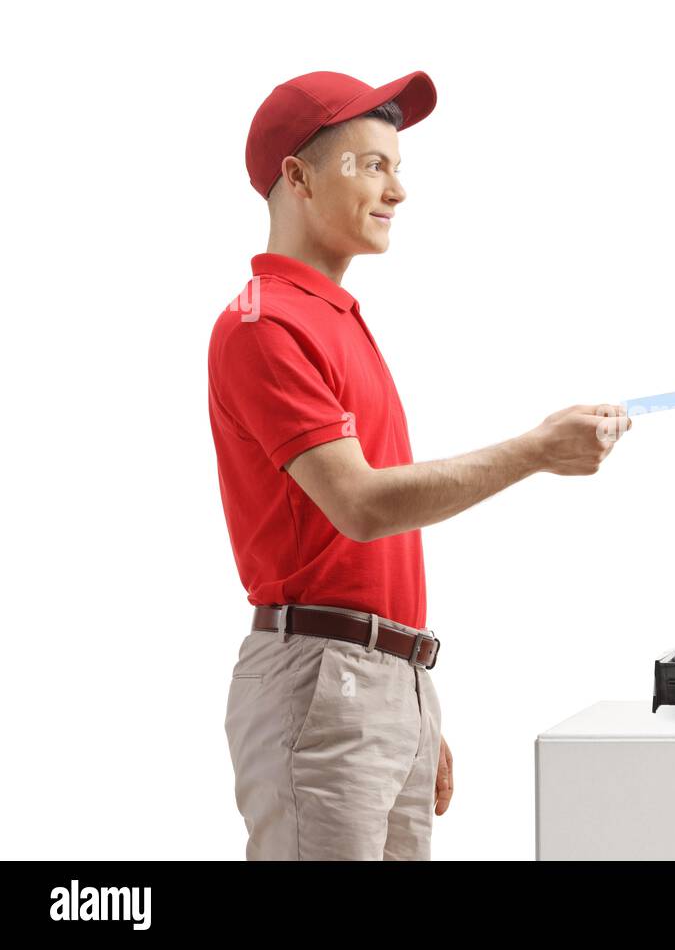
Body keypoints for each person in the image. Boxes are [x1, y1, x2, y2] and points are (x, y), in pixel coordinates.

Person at [208, 70, 631, 860]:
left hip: (379, 681)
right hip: (323, 686)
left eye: (396, 167)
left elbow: (368, 548)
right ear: (295, 177)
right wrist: (537, 450)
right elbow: (361, 506)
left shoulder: (336, 320)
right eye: (370, 165)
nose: (397, 190)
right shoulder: (265, 328)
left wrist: (408, 699)